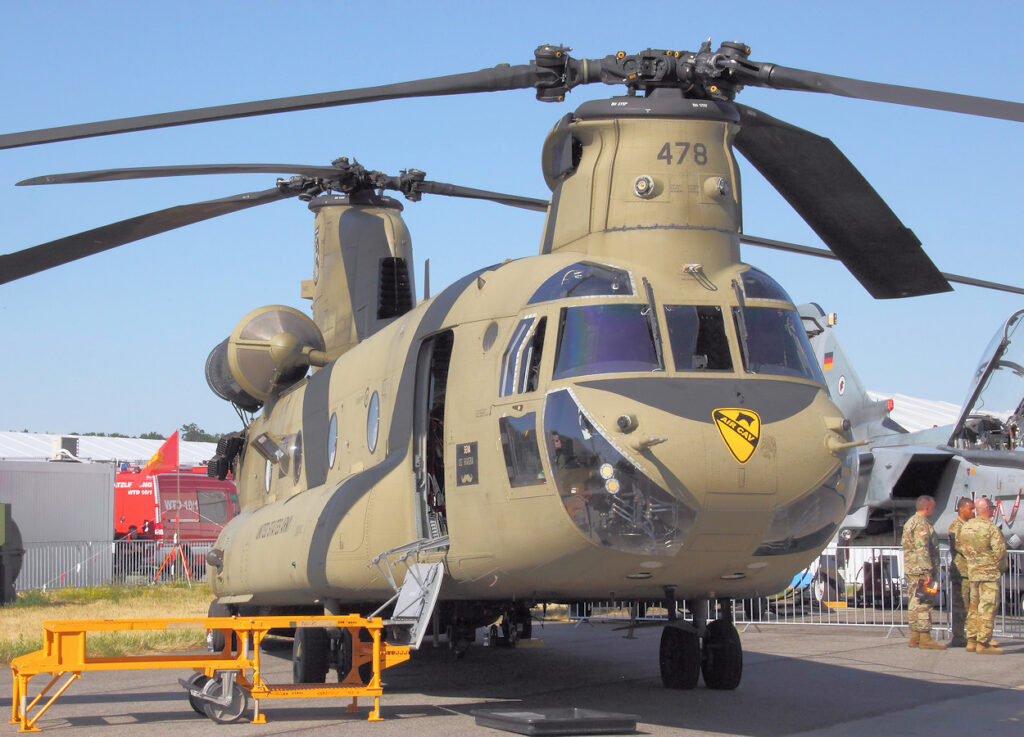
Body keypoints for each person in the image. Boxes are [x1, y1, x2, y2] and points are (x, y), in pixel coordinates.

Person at [959, 496, 1008, 654]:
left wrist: (974, 563)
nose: (993, 510)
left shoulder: (966, 527)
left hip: (973, 574)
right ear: (987, 510)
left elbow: (961, 548)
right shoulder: (991, 528)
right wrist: (999, 569)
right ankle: (983, 643)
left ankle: (971, 640)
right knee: (987, 607)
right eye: (992, 508)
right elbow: (1000, 553)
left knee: (974, 608)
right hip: (988, 575)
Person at [901, 495, 946, 649]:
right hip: (922, 570)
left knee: (914, 601)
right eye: (932, 506)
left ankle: (915, 636)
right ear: (927, 507)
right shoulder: (921, 524)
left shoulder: (910, 522)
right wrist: (927, 573)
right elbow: (922, 549)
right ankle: (925, 637)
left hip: (913, 569)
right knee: (925, 602)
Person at [947, 497, 976, 647]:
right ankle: (958, 636)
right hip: (962, 572)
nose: (973, 512)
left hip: (971, 572)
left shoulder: (970, 525)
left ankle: (972, 636)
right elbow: (961, 547)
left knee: (973, 605)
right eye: (971, 509)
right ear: (961, 509)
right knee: (961, 606)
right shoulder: (956, 527)